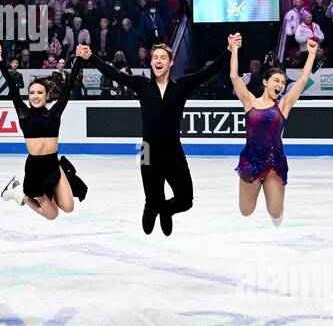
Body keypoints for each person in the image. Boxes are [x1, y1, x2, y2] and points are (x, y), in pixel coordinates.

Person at [86, 40, 230, 236]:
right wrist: (91, 56)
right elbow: (114, 74)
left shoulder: (182, 86)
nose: (158, 61)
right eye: (155, 57)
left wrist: (229, 49)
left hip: (174, 151)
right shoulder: (141, 84)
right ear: (151, 62)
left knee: (185, 200)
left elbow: (209, 71)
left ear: (171, 62)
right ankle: (151, 206)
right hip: (147, 151)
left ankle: (165, 209)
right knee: (152, 201)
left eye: (163, 57)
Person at [0, 42, 88, 220]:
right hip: (35, 170)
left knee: (68, 207)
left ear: (47, 95)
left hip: (53, 166)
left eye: (40, 93)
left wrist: (79, 59)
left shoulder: (55, 113)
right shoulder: (24, 114)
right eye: (32, 93)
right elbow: (11, 85)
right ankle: (19, 193)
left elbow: (68, 87)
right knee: (52, 215)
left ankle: (33, 192)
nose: (35, 96)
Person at [230, 34, 317, 225]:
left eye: (283, 82)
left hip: (274, 162)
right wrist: (234, 49)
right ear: (265, 82)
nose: (280, 85)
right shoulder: (250, 102)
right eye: (276, 80)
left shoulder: (284, 105)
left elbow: (302, 81)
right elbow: (234, 77)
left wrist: (311, 54)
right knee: (246, 211)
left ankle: (278, 207)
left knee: (275, 212)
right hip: (250, 161)